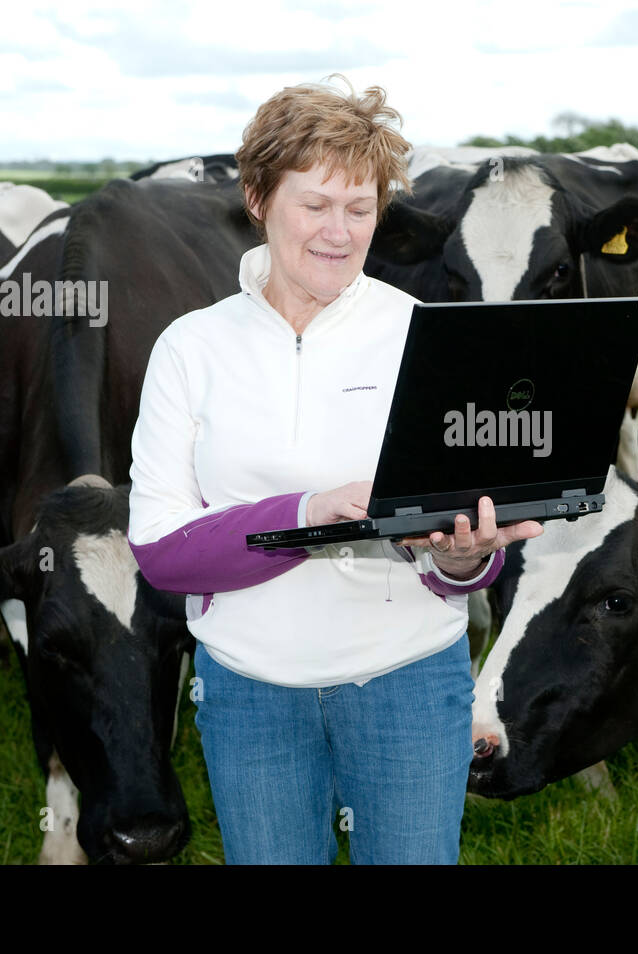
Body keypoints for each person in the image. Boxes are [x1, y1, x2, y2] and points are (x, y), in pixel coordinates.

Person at [126, 76, 541, 864]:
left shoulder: (426, 336)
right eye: (315, 204)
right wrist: (311, 512)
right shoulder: (191, 346)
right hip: (249, 692)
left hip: (410, 682)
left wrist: (464, 559)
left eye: (360, 209)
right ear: (257, 197)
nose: (339, 232)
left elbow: (458, 551)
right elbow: (162, 552)